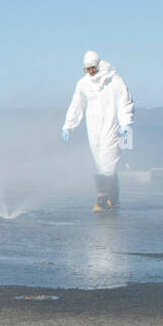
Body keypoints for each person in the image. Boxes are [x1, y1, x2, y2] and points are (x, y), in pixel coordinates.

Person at [61, 51, 134, 211]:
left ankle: (102, 198)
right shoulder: (83, 84)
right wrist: (69, 125)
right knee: (100, 162)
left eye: (93, 68)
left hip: (111, 124)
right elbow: (76, 105)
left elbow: (125, 101)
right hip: (93, 127)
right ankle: (113, 199)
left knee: (108, 159)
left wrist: (125, 123)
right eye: (87, 69)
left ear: (99, 65)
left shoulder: (114, 81)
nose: (91, 72)